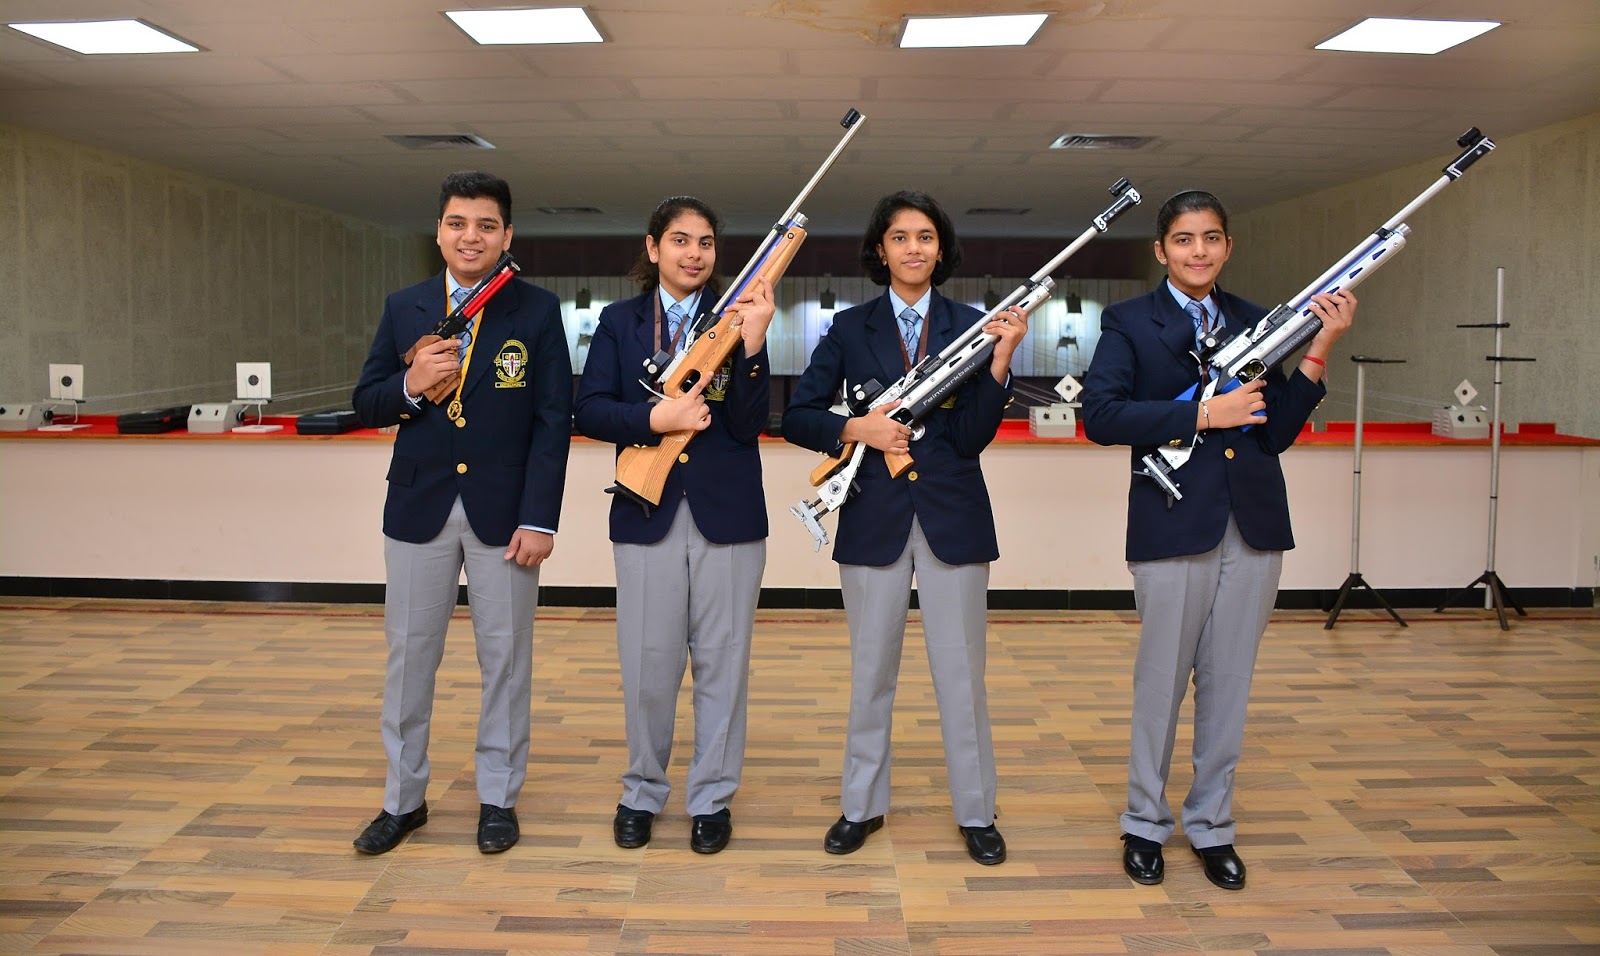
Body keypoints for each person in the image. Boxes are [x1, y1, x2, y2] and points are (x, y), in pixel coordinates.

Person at [1080, 189, 1355, 890]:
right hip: (1173, 524)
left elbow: (1279, 430)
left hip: (1254, 526)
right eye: (1183, 239)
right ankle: (1145, 824)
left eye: (1210, 238)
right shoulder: (1128, 322)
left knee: (1228, 685)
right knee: (1162, 685)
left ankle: (1211, 826)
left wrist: (1320, 347)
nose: (1197, 250)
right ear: (1161, 251)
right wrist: (1205, 414)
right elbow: (1103, 416)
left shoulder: (1260, 320)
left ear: (1228, 246)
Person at [783, 190, 1027, 865]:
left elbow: (973, 437)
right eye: (900, 237)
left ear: (940, 249)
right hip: (872, 516)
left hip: (953, 518)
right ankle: (861, 806)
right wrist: (854, 427)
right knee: (871, 673)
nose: (914, 248)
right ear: (880, 249)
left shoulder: (975, 327)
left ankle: (977, 812)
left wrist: (1001, 362)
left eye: (926, 237)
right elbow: (798, 416)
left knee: (963, 676)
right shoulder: (847, 329)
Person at [349, 170, 572, 855]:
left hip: (505, 515)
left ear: (506, 235)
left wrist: (541, 518)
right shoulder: (405, 306)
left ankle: (498, 797)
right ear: (439, 231)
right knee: (409, 657)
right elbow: (368, 400)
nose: (469, 236)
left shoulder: (534, 311)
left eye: (484, 225)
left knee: (504, 659)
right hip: (418, 505)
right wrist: (410, 387)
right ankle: (402, 799)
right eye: (456, 223)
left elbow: (550, 420)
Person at [573, 196, 775, 854]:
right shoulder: (620, 322)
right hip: (645, 510)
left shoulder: (737, 318)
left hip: (730, 517)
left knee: (723, 665)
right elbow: (591, 410)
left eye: (707, 242)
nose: (694, 253)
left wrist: (753, 345)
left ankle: (711, 799)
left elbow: (750, 425)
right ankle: (642, 790)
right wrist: (654, 421)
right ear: (653, 247)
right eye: (681, 240)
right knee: (649, 665)